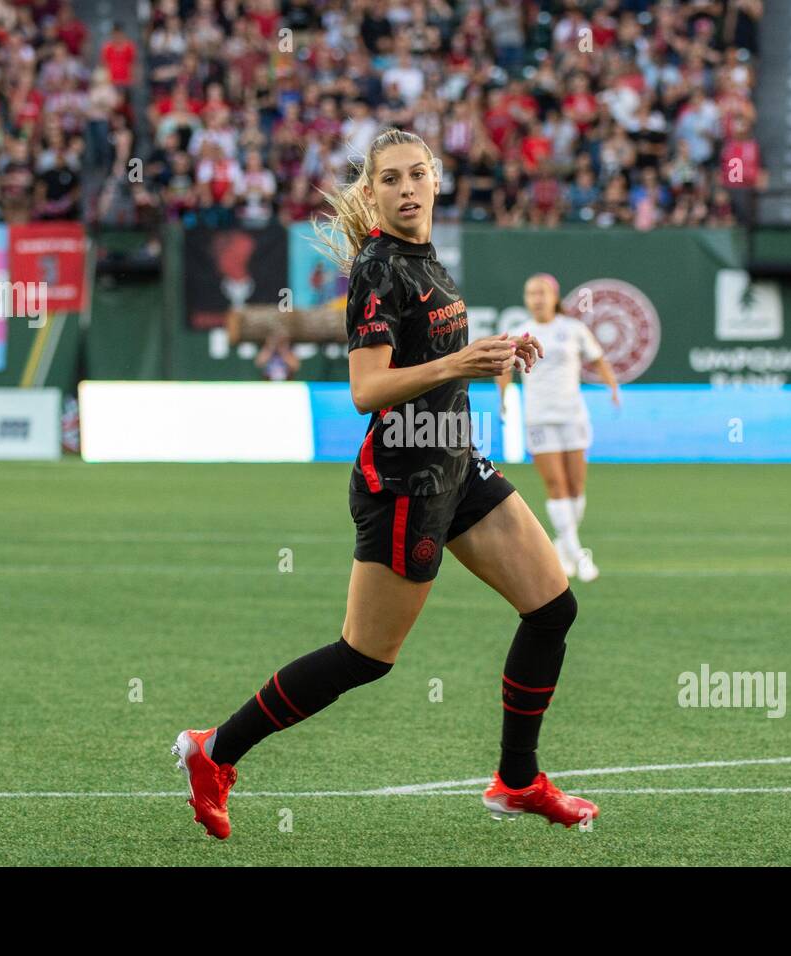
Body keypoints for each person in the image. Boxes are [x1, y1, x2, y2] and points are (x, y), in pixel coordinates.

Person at [171, 128, 600, 839]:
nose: (407, 188)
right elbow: (368, 390)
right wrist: (458, 367)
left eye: (417, 175)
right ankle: (213, 752)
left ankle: (517, 782)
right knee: (364, 657)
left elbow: (429, 356)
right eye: (391, 179)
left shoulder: (426, 259)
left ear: (437, 180)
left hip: (456, 463)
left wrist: (490, 353)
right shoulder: (379, 267)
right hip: (404, 481)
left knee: (552, 610)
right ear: (371, 193)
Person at [497, 274, 619, 582]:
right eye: (531, 293)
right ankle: (578, 553)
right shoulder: (521, 333)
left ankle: (562, 548)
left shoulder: (573, 329)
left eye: (542, 292)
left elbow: (598, 358)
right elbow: (503, 368)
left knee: (576, 488)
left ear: (554, 297)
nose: (536, 298)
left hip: (573, 416)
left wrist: (613, 387)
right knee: (556, 486)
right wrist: (503, 399)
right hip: (538, 418)